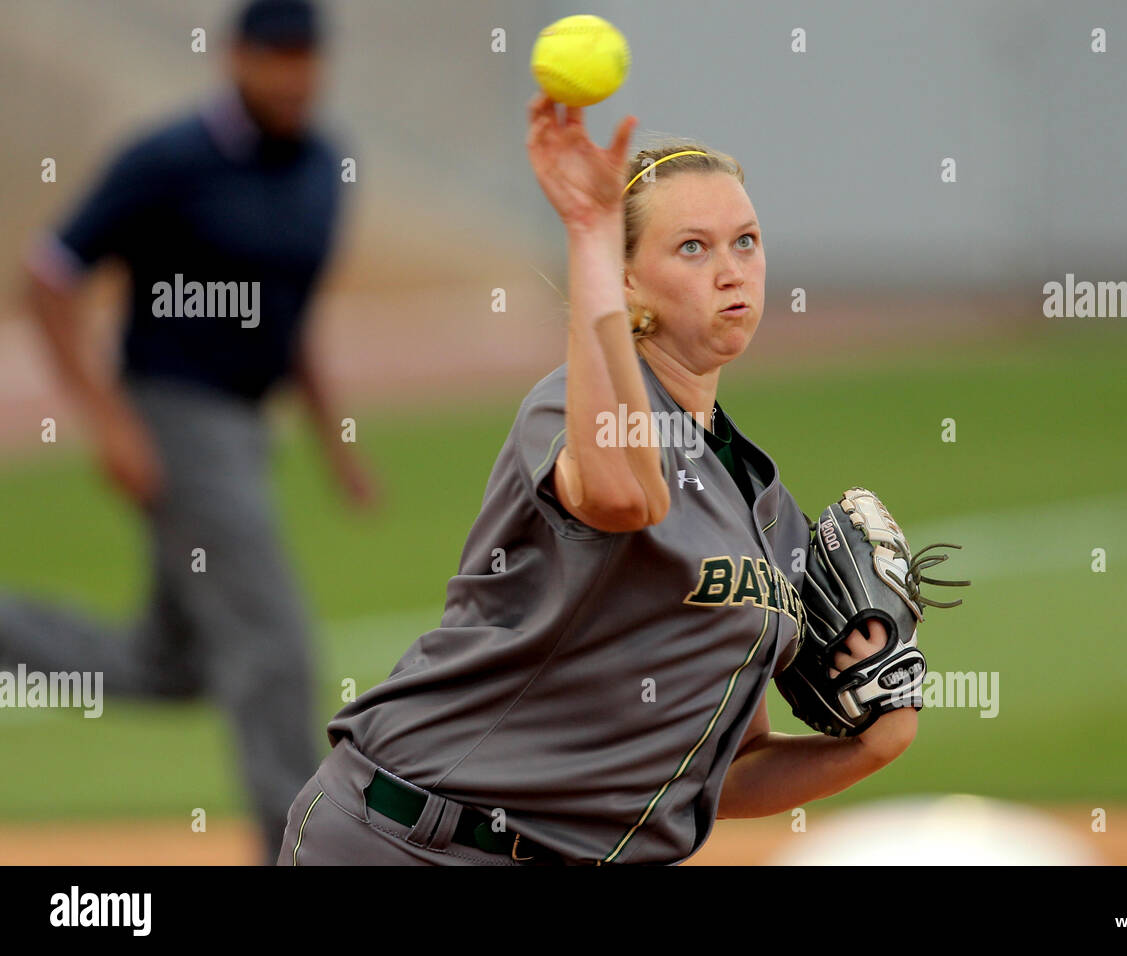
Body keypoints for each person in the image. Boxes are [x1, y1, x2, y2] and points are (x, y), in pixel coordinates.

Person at [278, 94, 915, 867]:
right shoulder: (569, 408)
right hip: (409, 842)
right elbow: (625, 497)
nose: (731, 271)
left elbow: (715, 771)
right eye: (692, 248)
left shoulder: (771, 516)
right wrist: (586, 233)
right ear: (629, 284)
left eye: (746, 242)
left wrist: (875, 745)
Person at [0, 0, 374, 864]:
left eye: (307, 58)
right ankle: (299, 849)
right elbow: (49, 277)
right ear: (235, 59)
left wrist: (334, 443)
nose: (294, 76)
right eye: (276, 57)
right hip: (175, 419)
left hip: (250, 429)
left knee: (170, 664)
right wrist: (111, 424)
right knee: (273, 640)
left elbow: (291, 314)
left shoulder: (323, 165)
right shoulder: (169, 160)